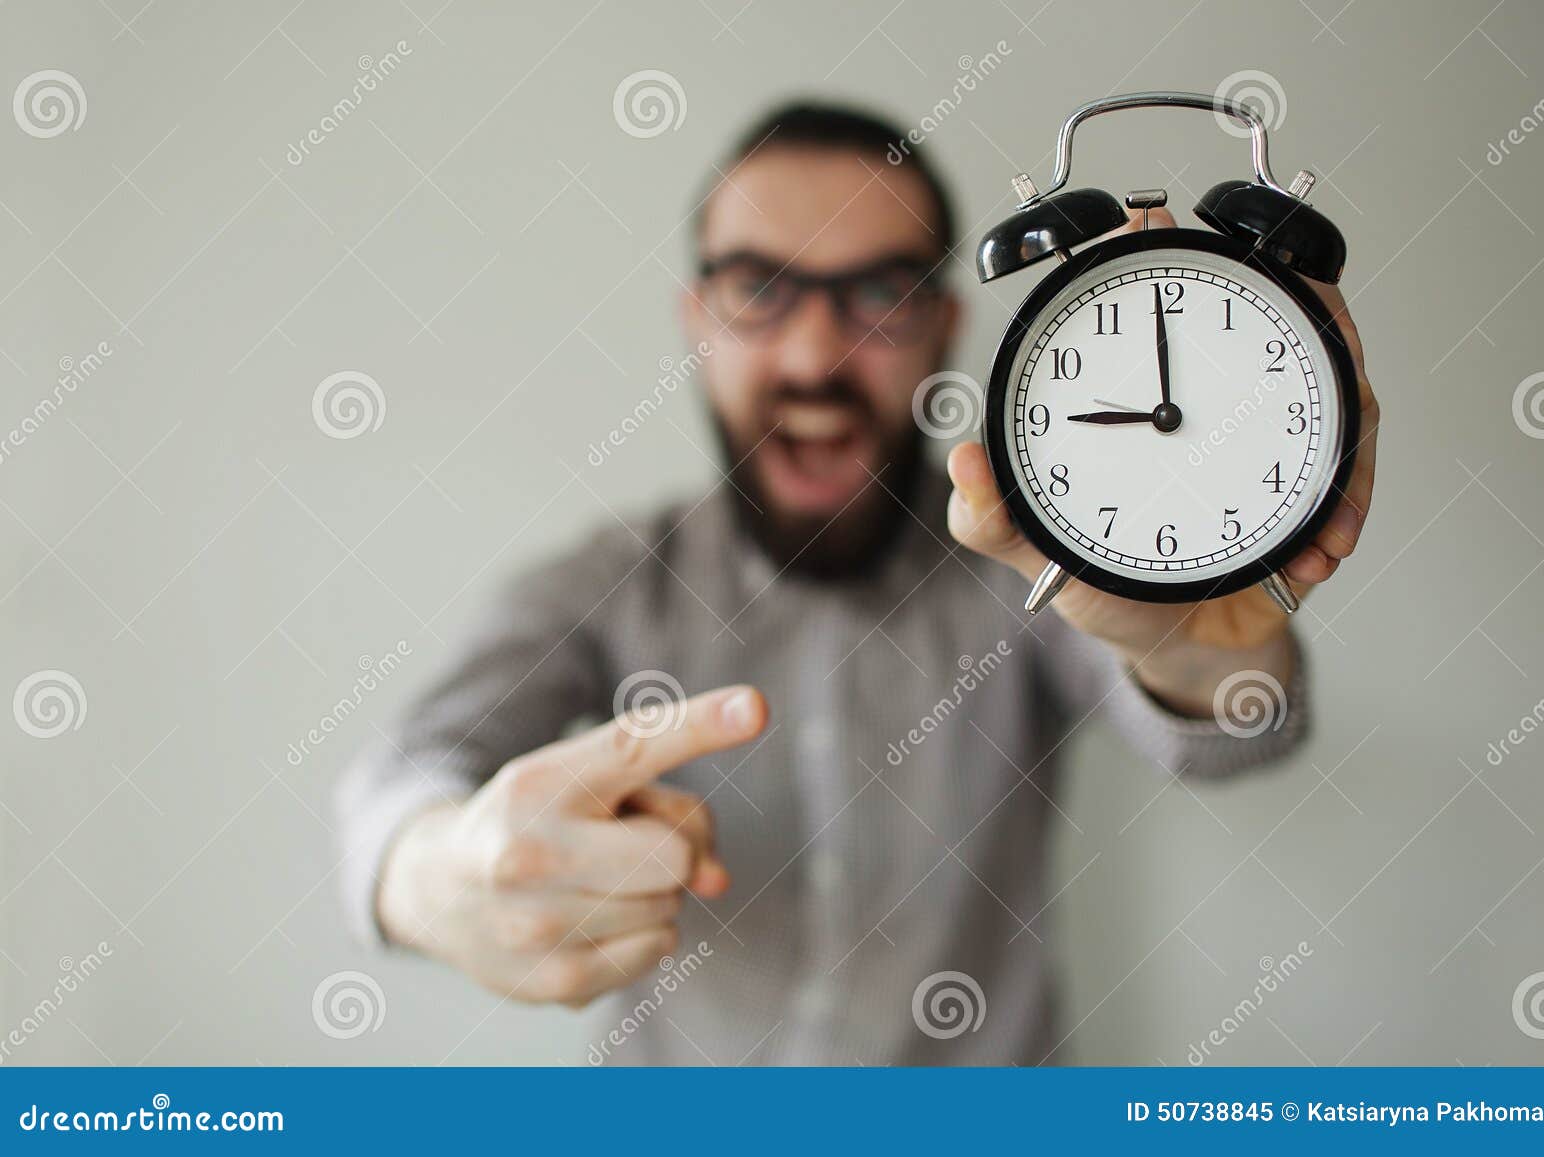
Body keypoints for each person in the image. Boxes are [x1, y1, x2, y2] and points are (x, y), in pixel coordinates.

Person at [335, 101, 1379, 1065]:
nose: (815, 351)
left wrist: (1184, 623)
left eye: (878, 291)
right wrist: (444, 871)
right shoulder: (611, 580)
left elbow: (1241, 726)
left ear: (943, 324)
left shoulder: (1034, 560)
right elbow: (402, 773)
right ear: (697, 318)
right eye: (758, 288)